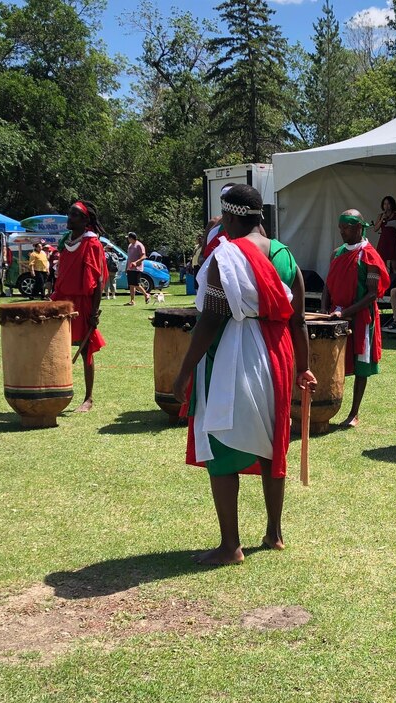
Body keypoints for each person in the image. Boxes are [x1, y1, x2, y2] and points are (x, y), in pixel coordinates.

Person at [172, 184, 315, 566]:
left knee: (219, 438)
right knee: (273, 440)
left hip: (235, 353)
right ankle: (274, 532)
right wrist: (304, 367)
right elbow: (299, 320)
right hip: (278, 353)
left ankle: (230, 545)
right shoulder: (287, 257)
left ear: (232, 218)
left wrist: (184, 372)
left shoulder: (226, 256)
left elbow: (212, 319)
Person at [322, 209, 390, 428]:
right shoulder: (337, 253)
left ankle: (354, 413)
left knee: (361, 365)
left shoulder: (369, 256)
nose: (342, 231)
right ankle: (327, 406)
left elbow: (372, 294)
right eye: (341, 226)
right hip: (336, 316)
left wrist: (346, 312)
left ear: (360, 227)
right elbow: (328, 285)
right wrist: (325, 310)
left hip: (361, 318)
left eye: (347, 227)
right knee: (333, 362)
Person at [50, 200, 107, 412]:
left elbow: (98, 280)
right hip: (62, 301)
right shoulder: (66, 241)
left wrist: (94, 312)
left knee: (85, 350)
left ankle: (88, 398)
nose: (69, 218)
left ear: (85, 220)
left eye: (74, 215)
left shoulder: (92, 244)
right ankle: (56, 391)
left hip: (82, 303)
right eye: (69, 214)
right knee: (57, 348)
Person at [375, 195, 396, 274]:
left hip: (393, 240)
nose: (386, 206)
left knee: (395, 264)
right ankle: (383, 283)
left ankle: (395, 282)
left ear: (392, 205)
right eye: (384, 204)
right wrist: (381, 220)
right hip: (383, 239)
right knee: (382, 264)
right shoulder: (380, 215)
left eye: (388, 204)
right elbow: (375, 229)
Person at [125, 232, 150, 305]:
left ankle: (146, 295)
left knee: (136, 284)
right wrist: (126, 267)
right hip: (130, 268)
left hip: (137, 268)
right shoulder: (130, 245)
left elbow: (144, 256)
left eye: (128, 238)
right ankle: (132, 301)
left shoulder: (139, 245)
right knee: (131, 285)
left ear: (131, 238)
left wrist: (136, 262)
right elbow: (129, 257)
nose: (128, 239)